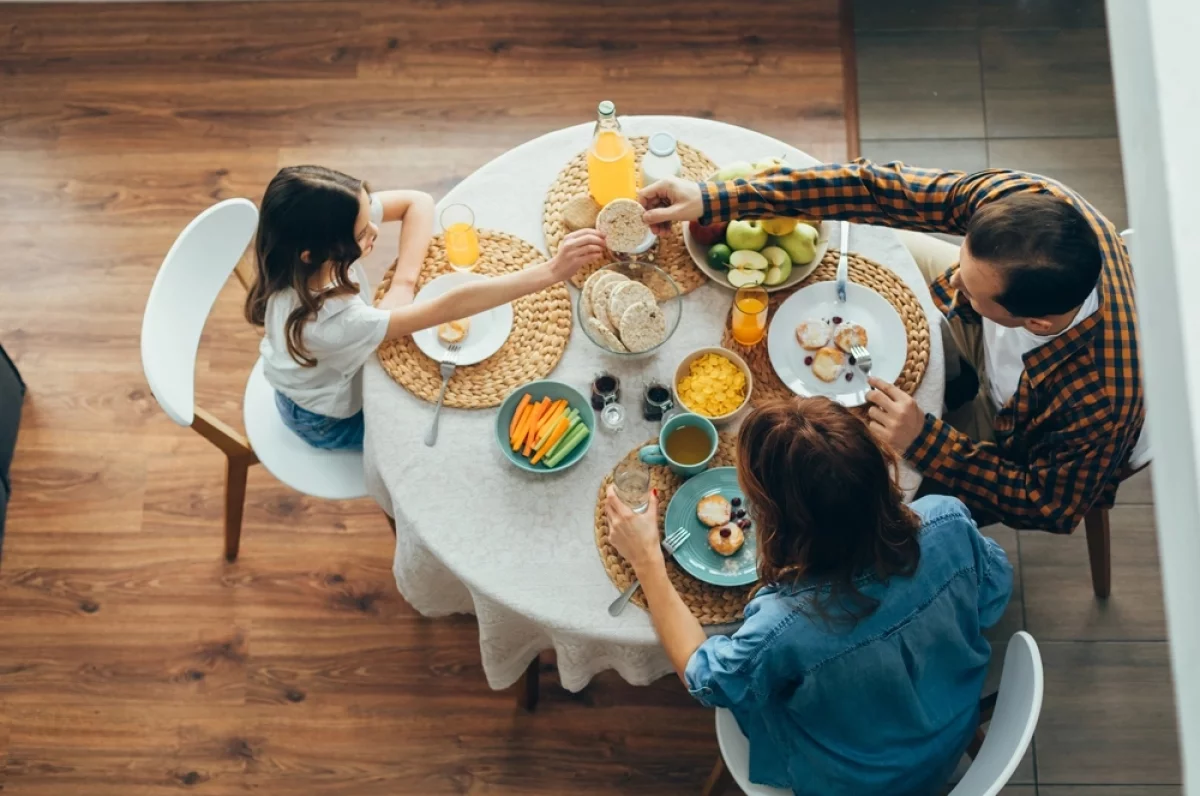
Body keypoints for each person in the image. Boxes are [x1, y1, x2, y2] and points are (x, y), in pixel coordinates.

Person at [639, 161, 1144, 533]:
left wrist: (927, 441)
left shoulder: (1099, 398)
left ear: (1033, 322)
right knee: (868, 253)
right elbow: (874, 187)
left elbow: (1047, 505)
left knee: (853, 506)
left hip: (1018, 422)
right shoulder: (1024, 200)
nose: (951, 289)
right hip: (992, 320)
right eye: (961, 268)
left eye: (967, 289)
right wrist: (718, 199)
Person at [605, 396, 1012, 795]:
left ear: (775, 520)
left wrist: (647, 562)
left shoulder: (782, 627)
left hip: (853, 782)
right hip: (953, 729)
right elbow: (993, 595)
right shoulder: (949, 520)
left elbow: (707, 681)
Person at [245, 165, 605, 450]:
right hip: (327, 418)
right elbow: (450, 306)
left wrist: (403, 283)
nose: (374, 230)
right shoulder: (331, 323)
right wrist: (553, 271)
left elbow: (417, 202)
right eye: (360, 234)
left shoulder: (294, 251)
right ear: (313, 254)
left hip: (306, 374)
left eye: (370, 217)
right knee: (448, 435)